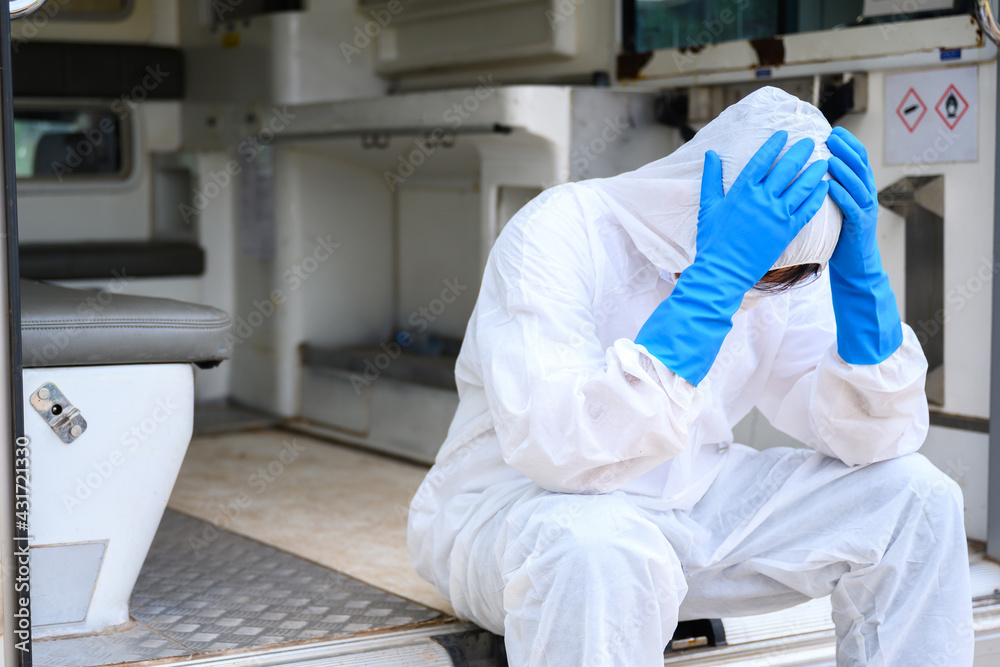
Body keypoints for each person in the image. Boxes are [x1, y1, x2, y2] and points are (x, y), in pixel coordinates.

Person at [407, 87, 973, 666]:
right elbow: (566, 454)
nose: (774, 288)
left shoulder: (785, 267)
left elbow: (871, 441)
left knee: (917, 497)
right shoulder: (558, 230)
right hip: (522, 519)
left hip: (688, 509)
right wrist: (715, 280)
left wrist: (860, 286)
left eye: (794, 275)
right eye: (766, 272)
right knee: (599, 547)